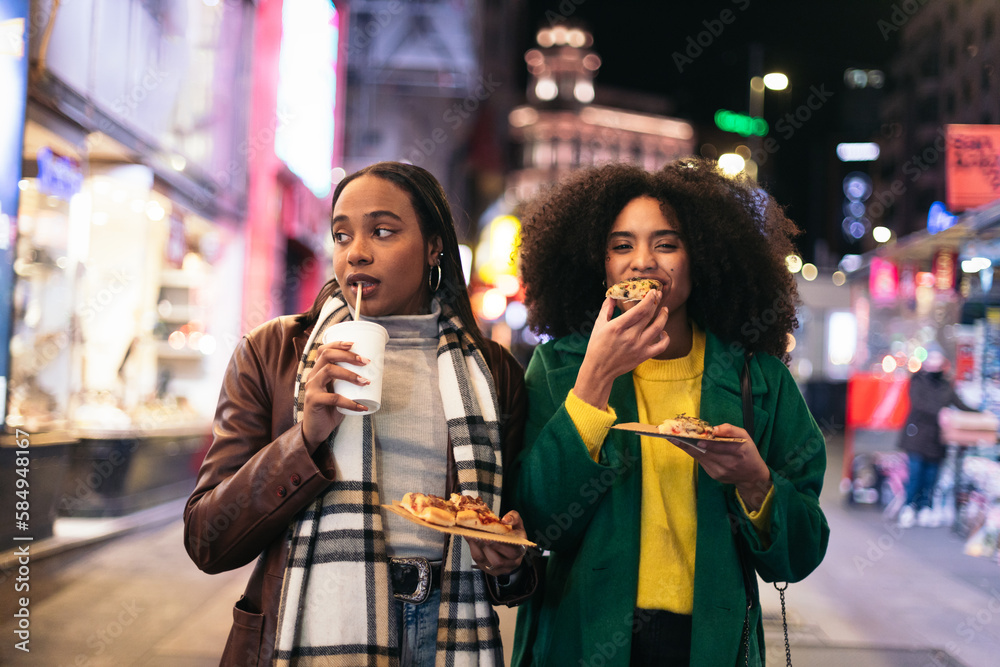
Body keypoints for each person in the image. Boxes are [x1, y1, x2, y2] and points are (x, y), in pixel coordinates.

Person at [184, 161, 534, 667]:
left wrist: (508, 563)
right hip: (311, 629)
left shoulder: (492, 371)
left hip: (446, 631)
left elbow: (519, 549)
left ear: (434, 246)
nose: (357, 253)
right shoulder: (273, 352)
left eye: (383, 231)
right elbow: (207, 539)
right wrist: (304, 439)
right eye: (341, 235)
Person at [508, 159, 830, 667]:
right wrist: (594, 380)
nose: (642, 262)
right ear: (601, 264)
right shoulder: (560, 365)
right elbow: (538, 524)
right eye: (621, 245)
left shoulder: (759, 379)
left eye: (666, 243)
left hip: (710, 645)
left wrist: (755, 482)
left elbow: (802, 553)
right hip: (584, 638)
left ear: (701, 255)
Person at [897, 342, 976, 528]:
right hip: (916, 436)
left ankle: (926, 507)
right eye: (931, 358)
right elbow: (919, 404)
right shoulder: (917, 381)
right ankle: (909, 507)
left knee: (932, 476)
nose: (934, 362)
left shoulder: (946, 385)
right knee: (915, 474)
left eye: (937, 358)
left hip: (936, 439)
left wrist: (981, 414)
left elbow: (960, 404)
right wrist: (940, 412)